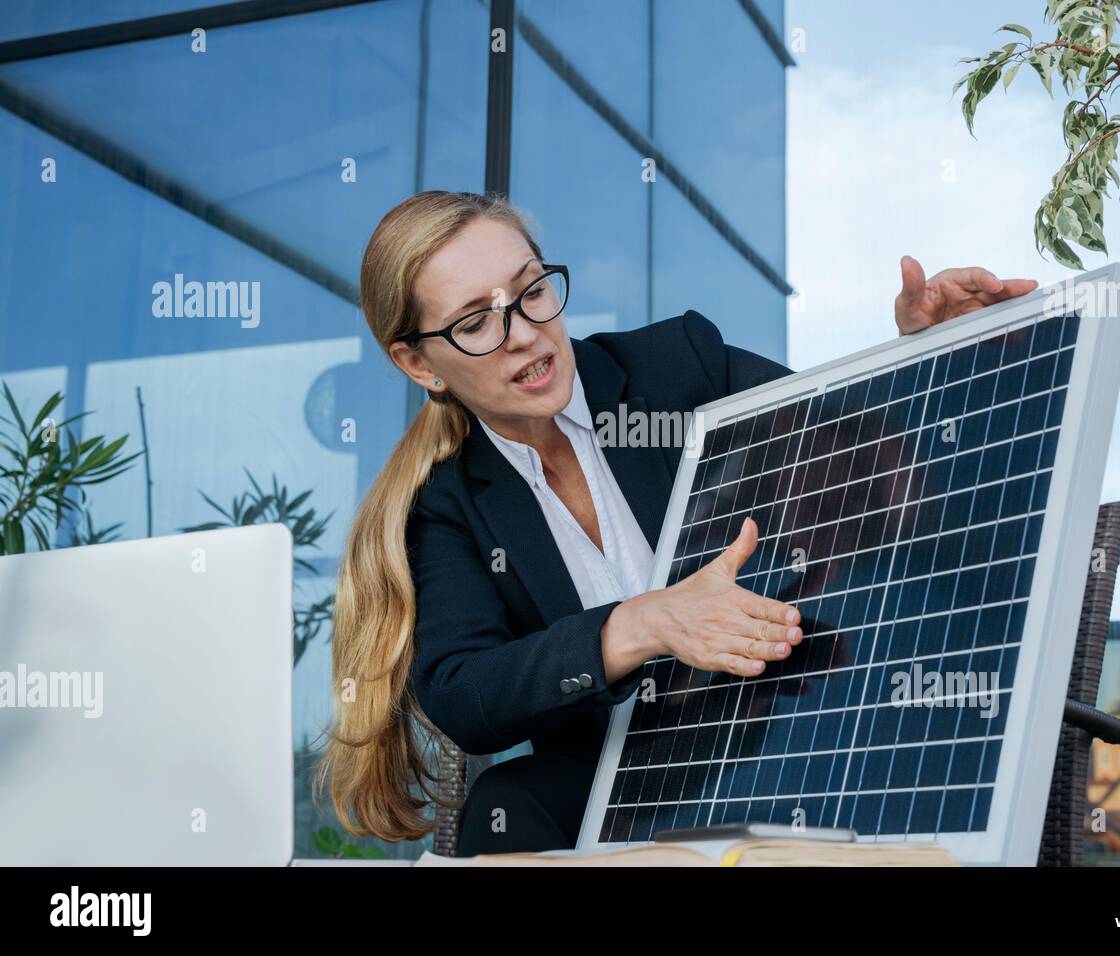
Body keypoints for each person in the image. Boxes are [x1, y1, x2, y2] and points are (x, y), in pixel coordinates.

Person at [317, 190, 1038, 855]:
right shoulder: (450, 504)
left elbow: (865, 461)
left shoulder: (677, 369)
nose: (525, 335)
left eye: (533, 291)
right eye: (477, 322)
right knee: (508, 805)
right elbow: (464, 693)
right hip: (618, 797)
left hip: (796, 732)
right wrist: (638, 625)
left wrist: (927, 362)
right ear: (418, 363)